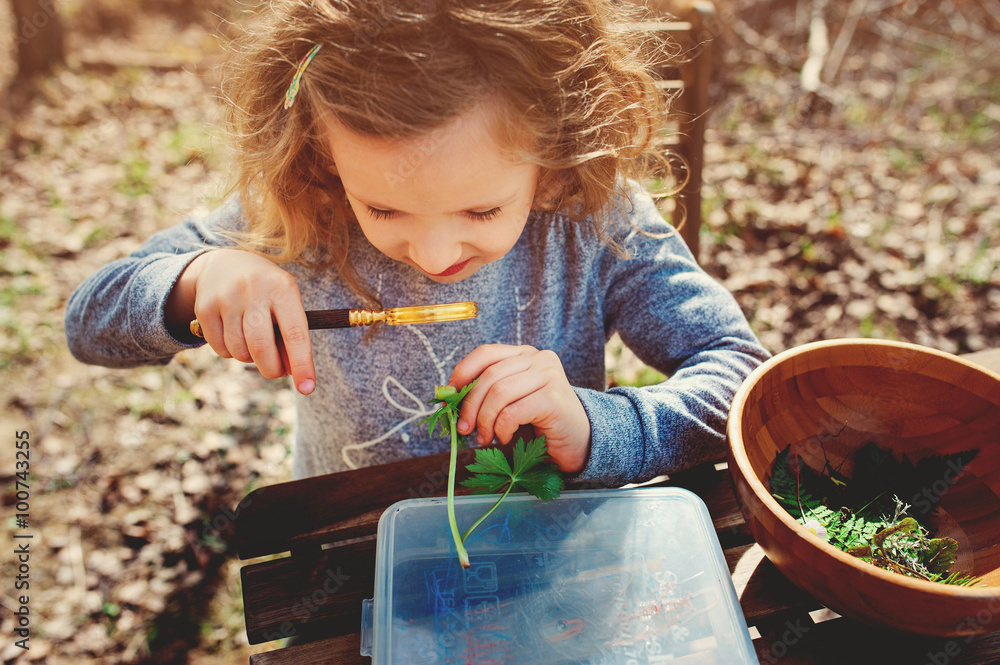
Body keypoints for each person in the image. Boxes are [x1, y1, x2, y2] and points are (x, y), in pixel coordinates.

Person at [65, 0, 770, 487]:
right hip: (348, 559)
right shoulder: (300, 211)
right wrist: (197, 277)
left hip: (558, 556)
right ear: (321, 150)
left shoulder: (593, 218)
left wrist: (597, 425)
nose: (434, 257)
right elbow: (89, 320)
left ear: (553, 159)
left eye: (483, 208)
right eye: (384, 207)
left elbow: (740, 379)